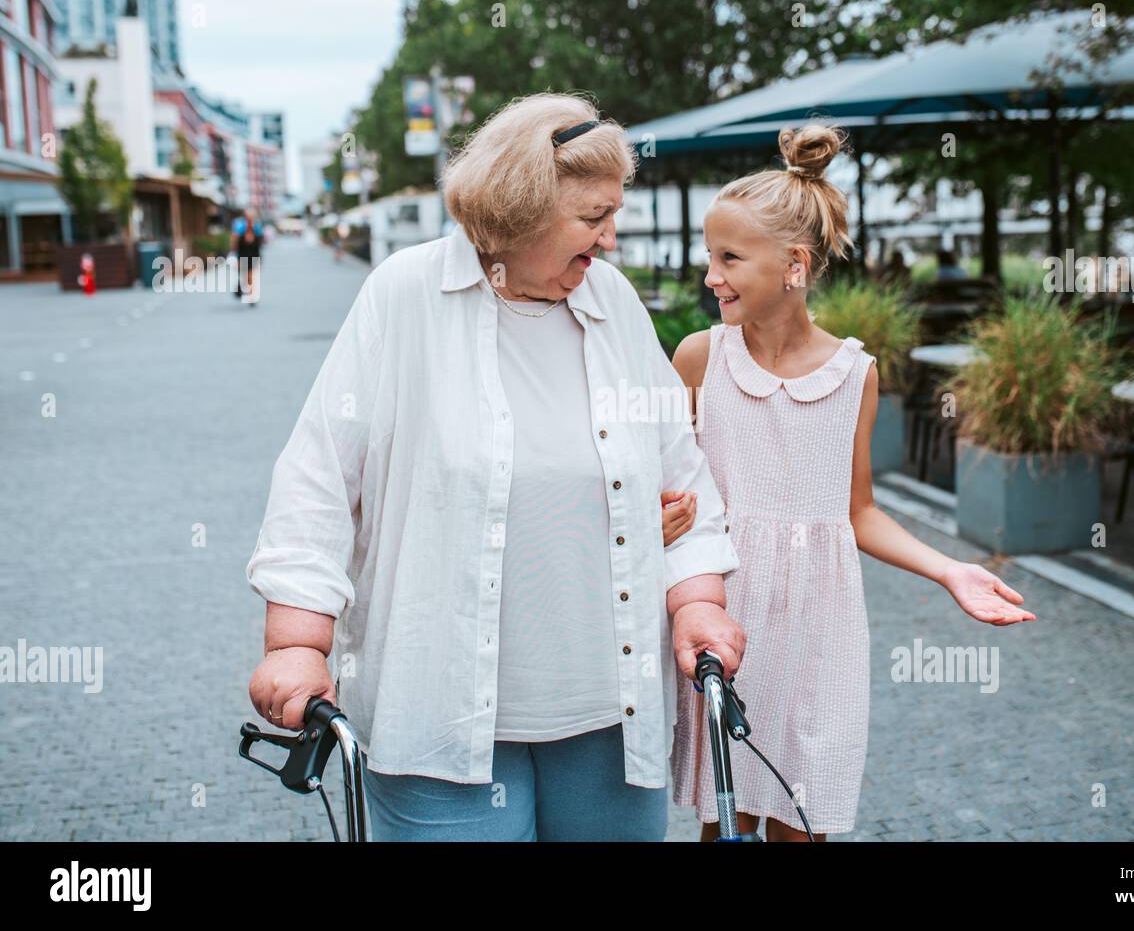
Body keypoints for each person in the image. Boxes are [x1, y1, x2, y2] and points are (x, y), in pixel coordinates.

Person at [245, 93, 747, 842]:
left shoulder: (613, 303)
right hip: (438, 719)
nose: (610, 239)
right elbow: (317, 481)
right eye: (592, 218)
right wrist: (295, 643)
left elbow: (685, 475)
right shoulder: (405, 295)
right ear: (522, 208)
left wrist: (699, 601)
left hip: (608, 716)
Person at [667, 124, 1036, 842]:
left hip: (820, 628)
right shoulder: (697, 358)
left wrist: (949, 569)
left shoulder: (854, 376)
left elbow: (856, 510)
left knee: (805, 823)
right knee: (727, 821)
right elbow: (656, 481)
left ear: (795, 265)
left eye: (729, 258)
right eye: (709, 256)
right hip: (725, 611)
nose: (710, 275)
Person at [231, 210, 263, 306]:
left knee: (251, 276)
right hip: (243, 255)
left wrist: (260, 260)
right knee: (245, 277)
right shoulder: (240, 227)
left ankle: (251, 295)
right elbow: (235, 243)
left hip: (253, 255)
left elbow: (259, 245)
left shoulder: (257, 228)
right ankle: (242, 289)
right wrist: (236, 257)